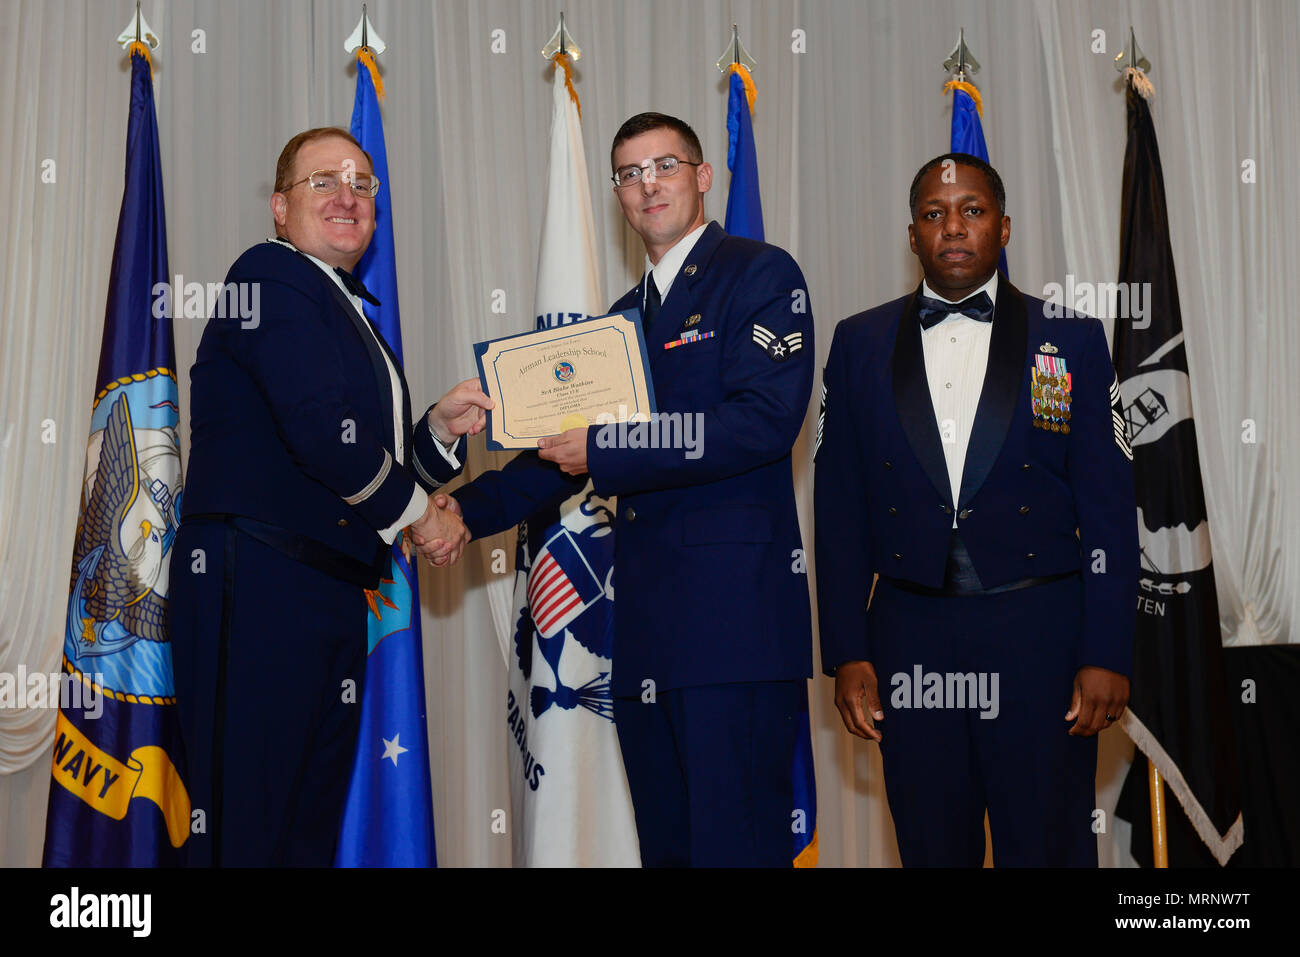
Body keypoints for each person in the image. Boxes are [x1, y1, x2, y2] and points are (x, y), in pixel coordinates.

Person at [427, 113, 815, 866]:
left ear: (701, 177)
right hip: (643, 636)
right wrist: (460, 514)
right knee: (668, 849)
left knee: (737, 850)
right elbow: (554, 460)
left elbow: (762, 422)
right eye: (629, 175)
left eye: (664, 166)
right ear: (618, 196)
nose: (647, 186)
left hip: (733, 631)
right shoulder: (618, 323)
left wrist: (606, 444)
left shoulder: (762, 275)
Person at [169, 126, 489, 866]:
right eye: (325, 182)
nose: (348, 196)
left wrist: (436, 431)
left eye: (363, 184)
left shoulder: (345, 309)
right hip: (258, 583)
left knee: (302, 829)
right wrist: (422, 517)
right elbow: (321, 431)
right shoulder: (270, 274)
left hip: (322, 591)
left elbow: (350, 463)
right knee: (249, 825)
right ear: (280, 207)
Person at [814, 153, 1138, 866]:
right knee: (932, 845)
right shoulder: (858, 342)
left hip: (1041, 636)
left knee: (1047, 846)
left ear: (1004, 226)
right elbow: (838, 510)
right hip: (909, 637)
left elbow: (1110, 509)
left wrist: (1107, 650)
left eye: (971, 210)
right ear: (911, 235)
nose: (952, 227)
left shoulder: (1072, 337)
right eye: (933, 213)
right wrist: (847, 650)